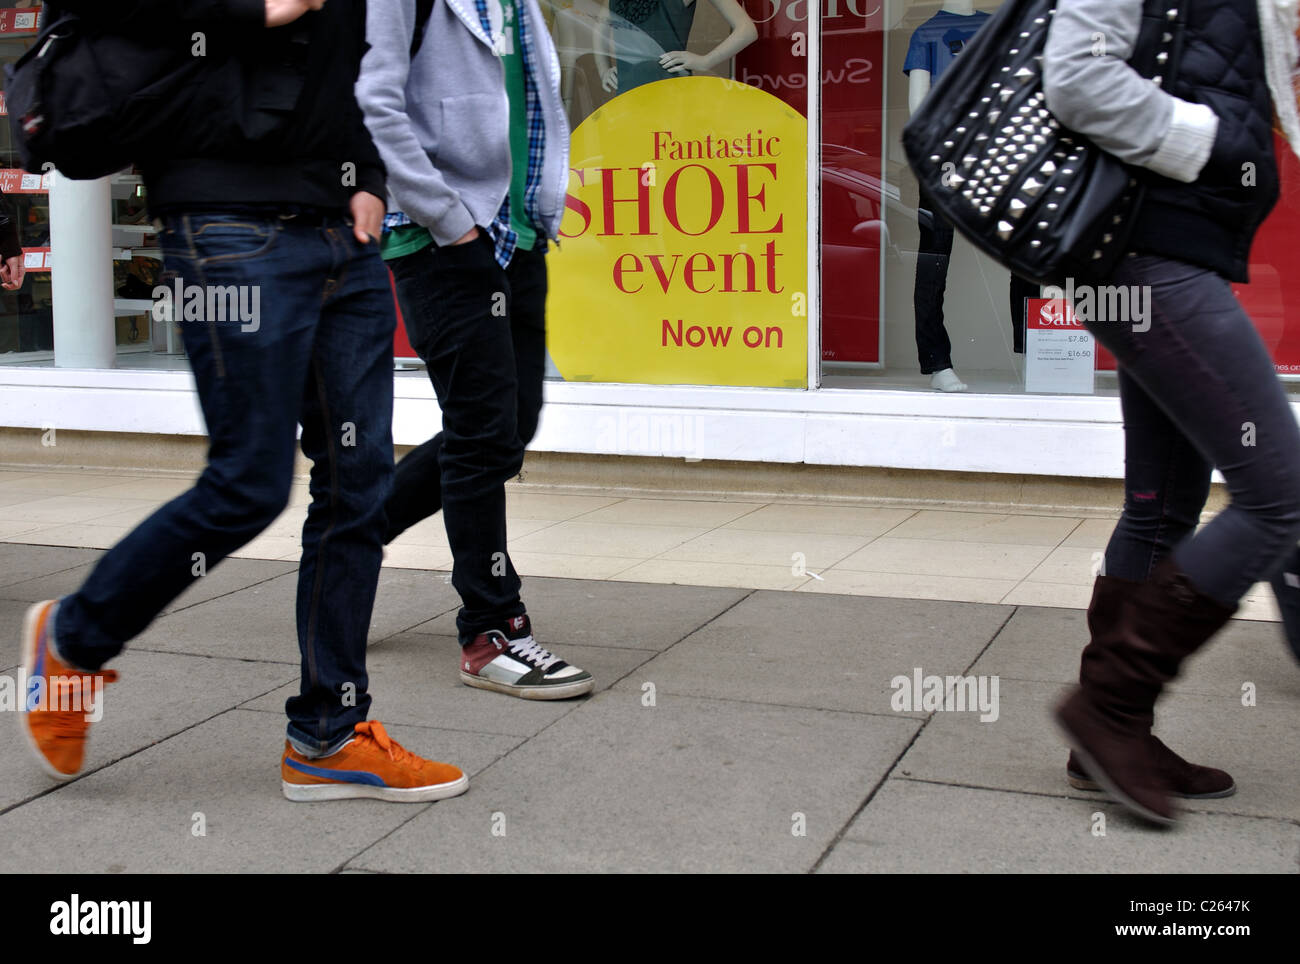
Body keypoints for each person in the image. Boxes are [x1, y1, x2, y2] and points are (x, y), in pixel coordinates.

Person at [18, 0, 467, 804]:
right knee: (248, 482)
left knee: (358, 484)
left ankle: (329, 734)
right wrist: (253, 9)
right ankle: (73, 640)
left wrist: (365, 176)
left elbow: (353, 62)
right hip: (222, 229)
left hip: (344, 238)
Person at [1041, 0, 1300, 824]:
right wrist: (1214, 144)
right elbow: (1077, 75)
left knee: (1162, 509)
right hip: (1143, 253)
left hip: (1163, 249)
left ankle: (1109, 741)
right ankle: (1110, 707)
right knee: (1279, 495)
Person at [358, 0, 595, 699]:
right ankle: (492, 628)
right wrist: (445, 218)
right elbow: (374, 102)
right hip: (443, 237)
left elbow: (533, 105)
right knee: (483, 430)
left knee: (505, 429)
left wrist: (537, 211)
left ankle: (358, 533)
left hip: (516, 234)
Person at [596, 0, 756, 94]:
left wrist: (705, 61)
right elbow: (599, 26)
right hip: (627, 96)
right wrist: (603, 69)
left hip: (672, 94)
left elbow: (747, 29)